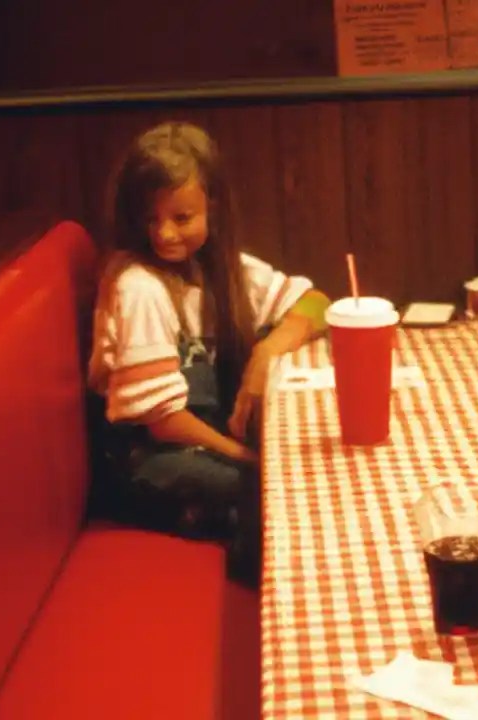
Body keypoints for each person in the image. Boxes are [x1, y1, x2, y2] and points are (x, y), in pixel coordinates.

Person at [87, 121, 331, 581]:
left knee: (300, 478)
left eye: (181, 218)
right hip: (142, 464)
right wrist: (248, 458)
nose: (164, 235)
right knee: (273, 494)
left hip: (196, 445)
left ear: (212, 209)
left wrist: (266, 355)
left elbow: (317, 303)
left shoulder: (219, 270)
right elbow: (162, 423)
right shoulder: (137, 285)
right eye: (149, 218)